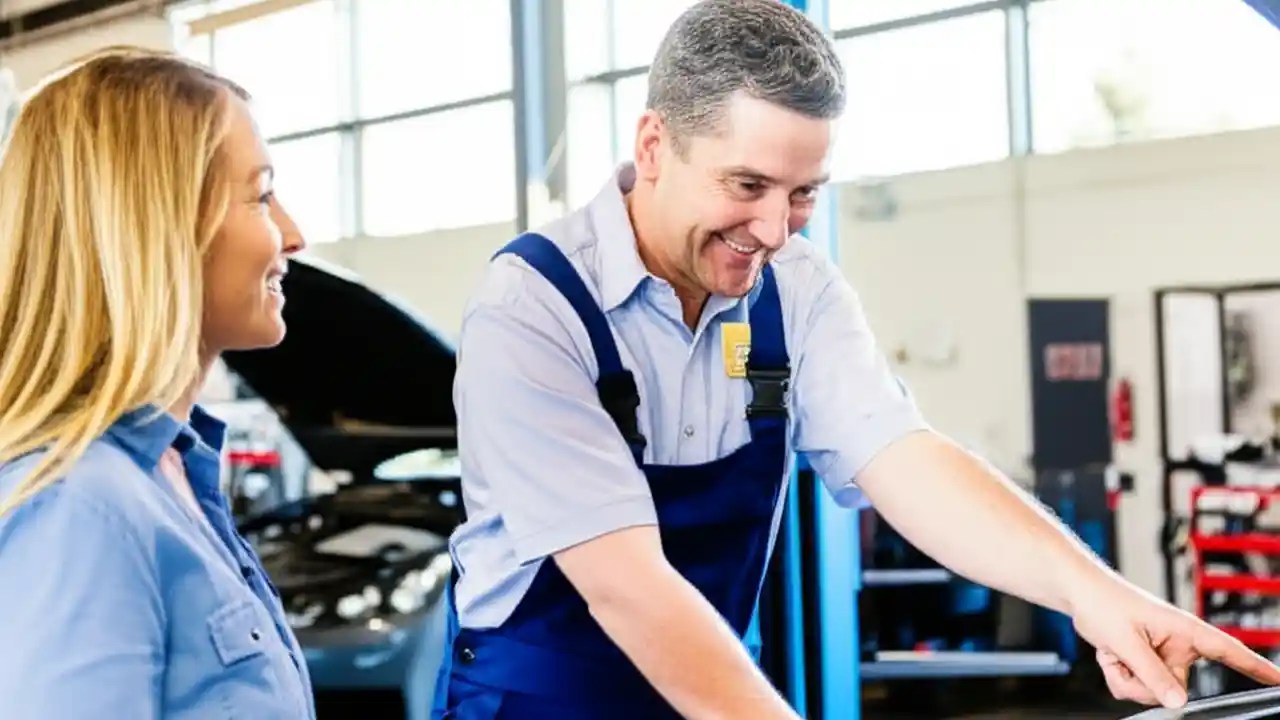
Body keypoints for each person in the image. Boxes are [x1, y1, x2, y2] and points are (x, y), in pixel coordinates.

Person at [434, 1, 1280, 718]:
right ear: (654, 146)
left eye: (803, 193)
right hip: (539, 697)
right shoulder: (531, 308)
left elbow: (903, 457)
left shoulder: (794, 287)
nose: (774, 230)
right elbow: (627, 587)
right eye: (746, 186)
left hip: (717, 686)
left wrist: (1103, 599)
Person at [0, 47, 314, 718]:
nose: (293, 235)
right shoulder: (80, 511)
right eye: (260, 197)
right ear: (164, 224)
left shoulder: (173, 471)